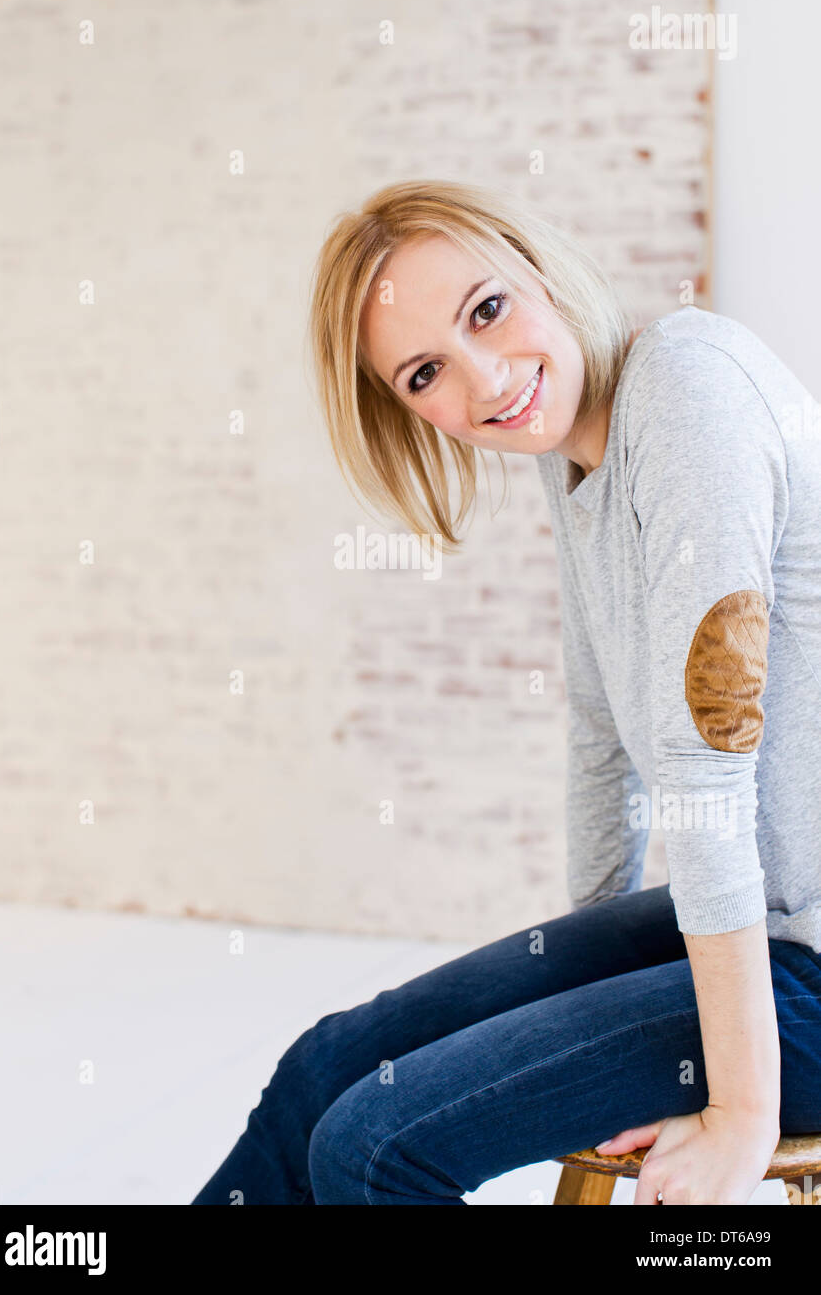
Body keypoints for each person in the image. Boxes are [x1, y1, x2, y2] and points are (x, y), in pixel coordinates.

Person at [191, 179, 821, 1205]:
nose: (486, 380)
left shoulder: (686, 388)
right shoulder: (572, 451)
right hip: (771, 913)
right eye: (426, 372)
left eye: (485, 309)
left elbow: (707, 767)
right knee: (324, 1067)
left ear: (536, 262)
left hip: (806, 967)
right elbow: (595, 733)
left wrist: (738, 1116)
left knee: (372, 1148)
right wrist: (583, 979)